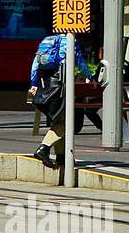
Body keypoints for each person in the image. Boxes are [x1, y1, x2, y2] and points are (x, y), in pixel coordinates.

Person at [28, 31, 97, 168]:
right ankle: (44, 148)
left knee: (58, 121)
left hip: (46, 86)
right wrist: (89, 76)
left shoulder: (48, 40)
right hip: (61, 86)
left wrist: (34, 84)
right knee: (65, 124)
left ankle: (62, 158)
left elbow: (35, 64)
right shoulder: (71, 42)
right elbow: (80, 62)